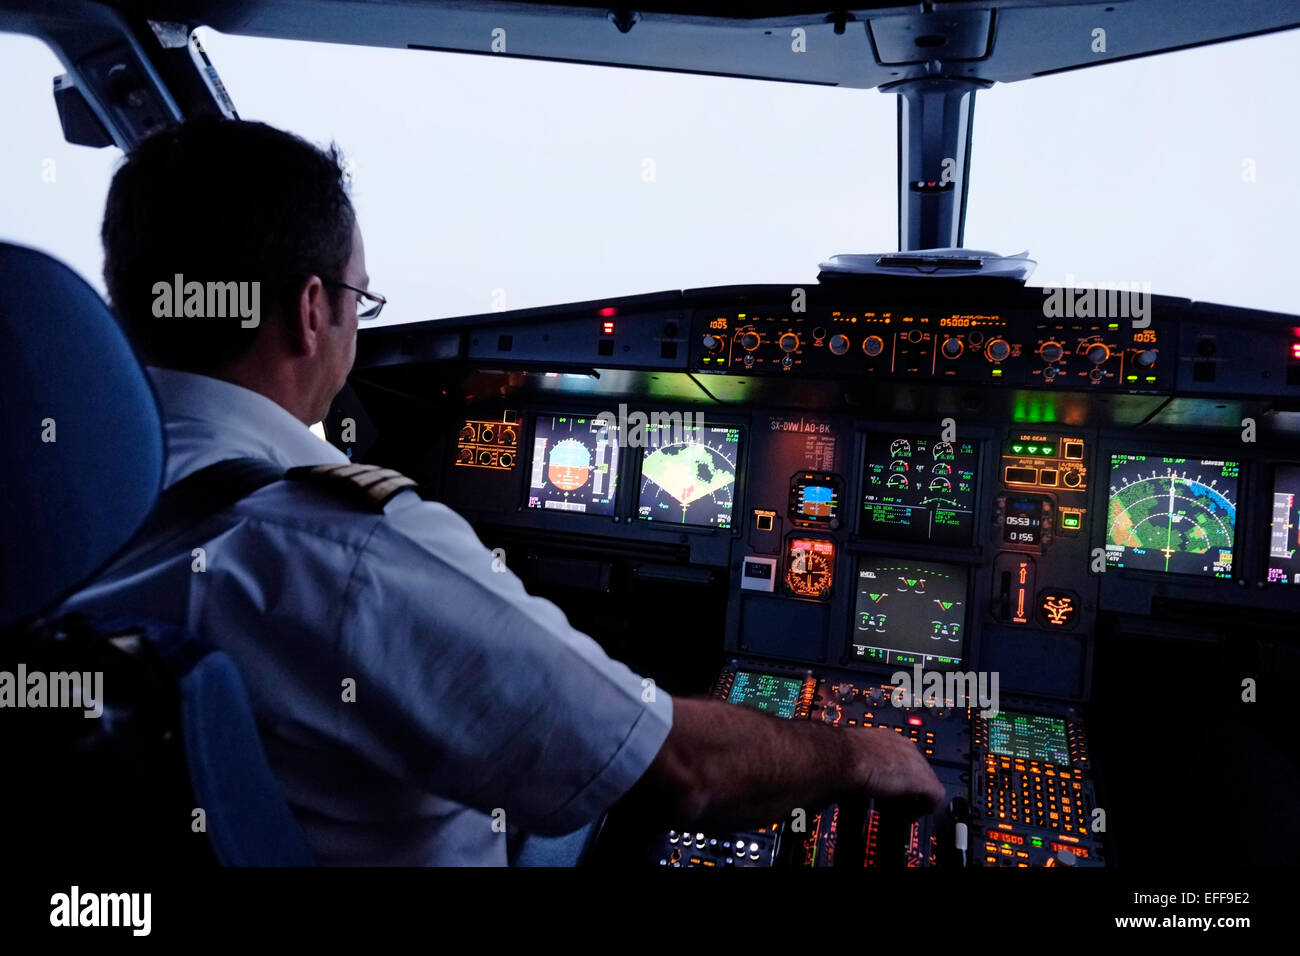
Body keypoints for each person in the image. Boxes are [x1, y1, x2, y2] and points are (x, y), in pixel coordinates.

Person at [62, 118, 944, 865]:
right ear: (308, 311)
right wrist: (863, 751)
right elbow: (680, 768)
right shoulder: (348, 552)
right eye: (359, 302)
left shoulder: (48, 517)